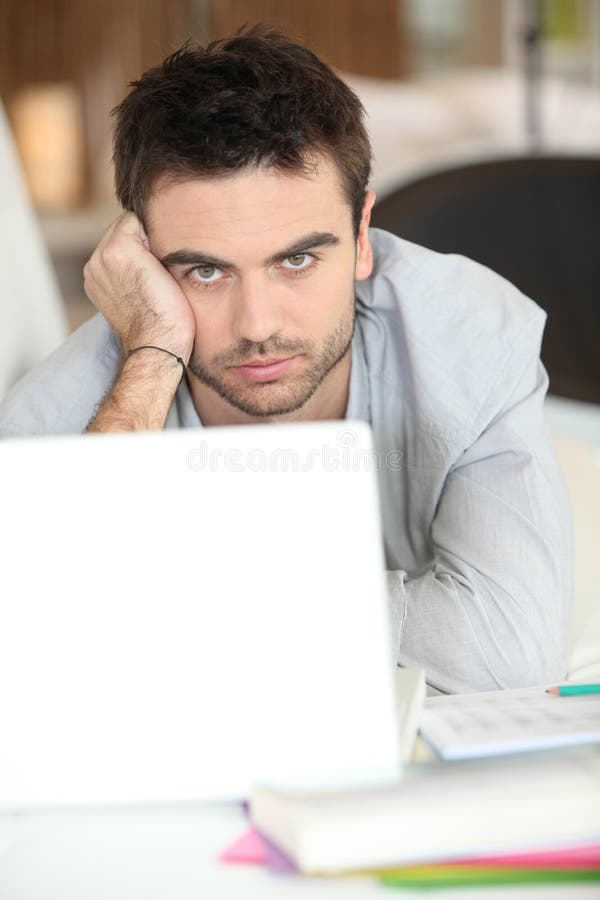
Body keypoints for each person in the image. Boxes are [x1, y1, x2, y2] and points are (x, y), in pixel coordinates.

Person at [0, 27, 572, 693]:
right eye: (206, 271)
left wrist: (174, 603)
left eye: (297, 259)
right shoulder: (75, 409)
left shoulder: (470, 337)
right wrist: (153, 353)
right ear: (144, 259)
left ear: (362, 239)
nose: (259, 325)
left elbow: (505, 653)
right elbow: (30, 648)